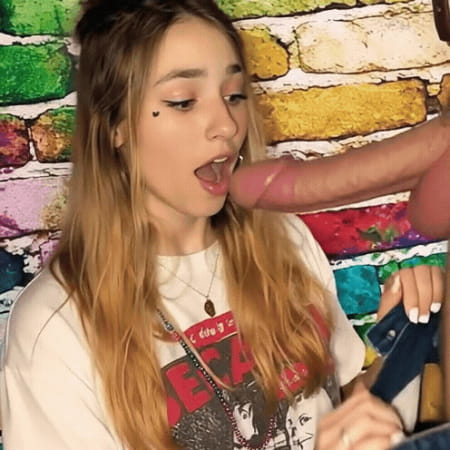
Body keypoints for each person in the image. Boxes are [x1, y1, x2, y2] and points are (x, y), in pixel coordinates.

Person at [0, 1, 445, 449]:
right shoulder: (55, 327)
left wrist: (403, 343)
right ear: (115, 124)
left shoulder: (285, 240)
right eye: (183, 102)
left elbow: (342, 411)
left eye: (233, 95)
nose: (226, 126)